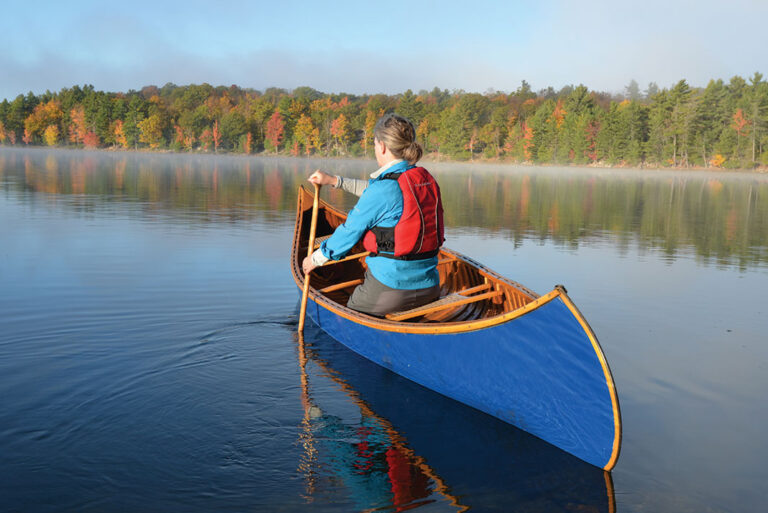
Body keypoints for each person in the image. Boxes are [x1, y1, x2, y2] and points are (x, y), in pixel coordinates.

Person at [302, 113, 444, 317]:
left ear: (383, 146)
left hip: (391, 288)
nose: (375, 149)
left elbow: (349, 232)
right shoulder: (421, 180)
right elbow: (378, 192)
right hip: (430, 287)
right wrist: (334, 181)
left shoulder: (384, 189)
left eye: (375, 144)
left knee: (349, 316)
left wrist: (315, 259)